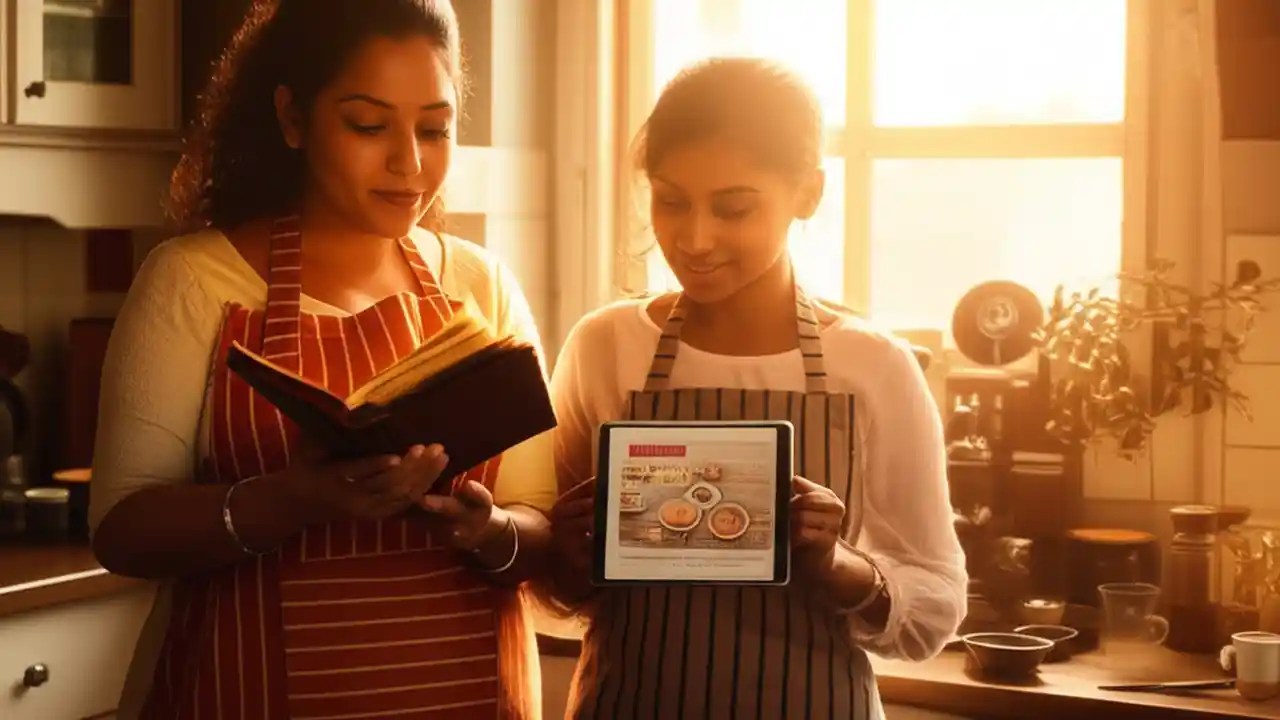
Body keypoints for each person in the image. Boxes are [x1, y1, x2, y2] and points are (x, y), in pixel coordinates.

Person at [89, 1, 555, 718]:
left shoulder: (481, 284)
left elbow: (541, 532)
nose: (410, 162)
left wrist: (484, 529)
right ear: (292, 119)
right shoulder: (190, 279)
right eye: (369, 125)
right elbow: (122, 531)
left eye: (435, 129)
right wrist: (294, 500)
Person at [542, 58, 968, 719]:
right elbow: (560, 590)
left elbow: (934, 606)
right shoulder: (604, 348)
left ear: (809, 193)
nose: (694, 238)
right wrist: (564, 550)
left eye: (733, 207)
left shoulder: (874, 366)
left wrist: (836, 563)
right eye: (670, 199)